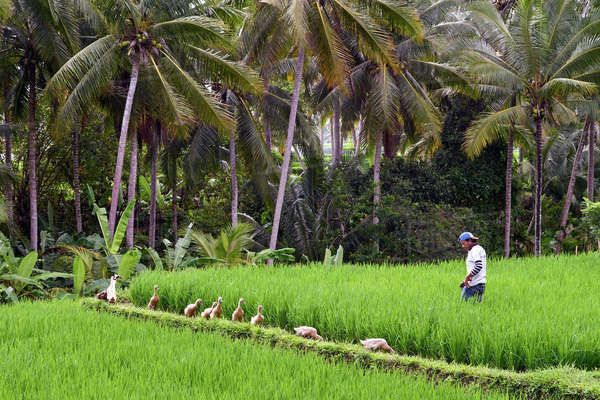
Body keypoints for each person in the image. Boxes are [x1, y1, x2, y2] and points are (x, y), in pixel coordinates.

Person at [458, 232, 486, 302]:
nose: (463, 246)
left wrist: (467, 277)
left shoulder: (475, 250)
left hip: (474, 285)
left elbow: (478, 266)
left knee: (463, 308)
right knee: (475, 309)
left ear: (470, 241)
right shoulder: (478, 249)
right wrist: (465, 281)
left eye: (463, 243)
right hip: (480, 285)